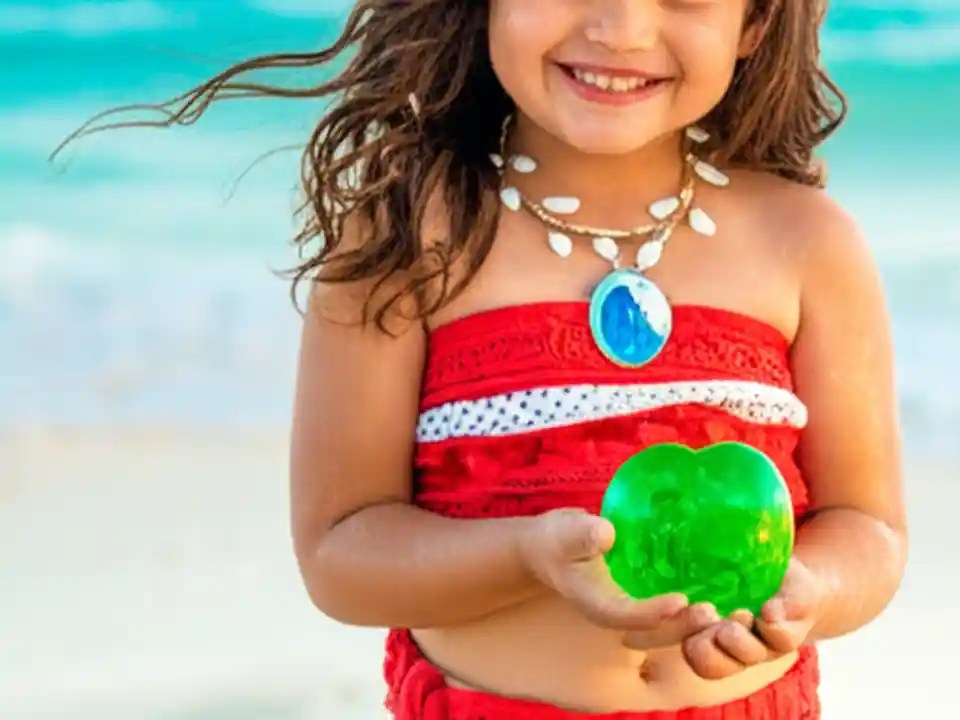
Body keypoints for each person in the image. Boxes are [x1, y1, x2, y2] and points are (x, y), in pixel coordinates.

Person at [70, 1, 908, 717]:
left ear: (755, 18)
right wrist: (527, 556)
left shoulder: (806, 243)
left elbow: (867, 527)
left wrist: (806, 591)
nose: (621, 28)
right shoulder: (406, 235)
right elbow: (340, 551)